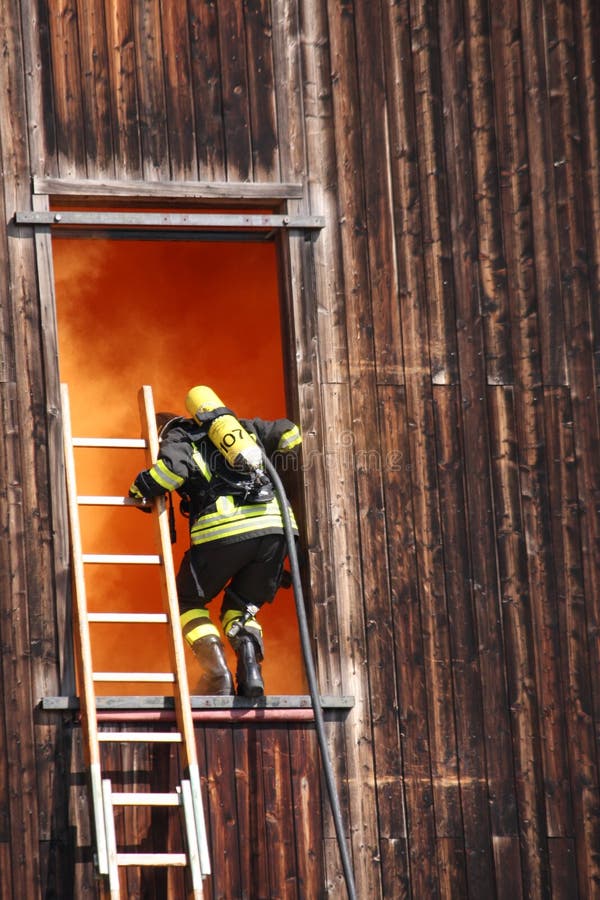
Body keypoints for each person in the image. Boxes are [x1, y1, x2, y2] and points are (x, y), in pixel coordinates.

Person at [128, 386, 302, 698]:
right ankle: (250, 675)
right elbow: (290, 435)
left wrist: (139, 488)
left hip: (223, 531)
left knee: (187, 601)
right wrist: (287, 478)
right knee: (241, 607)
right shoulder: (242, 429)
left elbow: (170, 473)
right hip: (276, 529)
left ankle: (217, 674)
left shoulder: (177, 436)